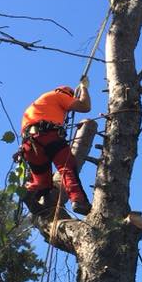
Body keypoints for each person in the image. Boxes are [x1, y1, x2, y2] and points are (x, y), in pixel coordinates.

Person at [20, 77, 92, 215]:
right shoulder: (59, 96)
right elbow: (85, 106)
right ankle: (79, 201)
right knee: (67, 166)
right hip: (48, 136)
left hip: (29, 144)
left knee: (43, 184)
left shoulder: (39, 104)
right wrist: (84, 88)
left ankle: (30, 193)